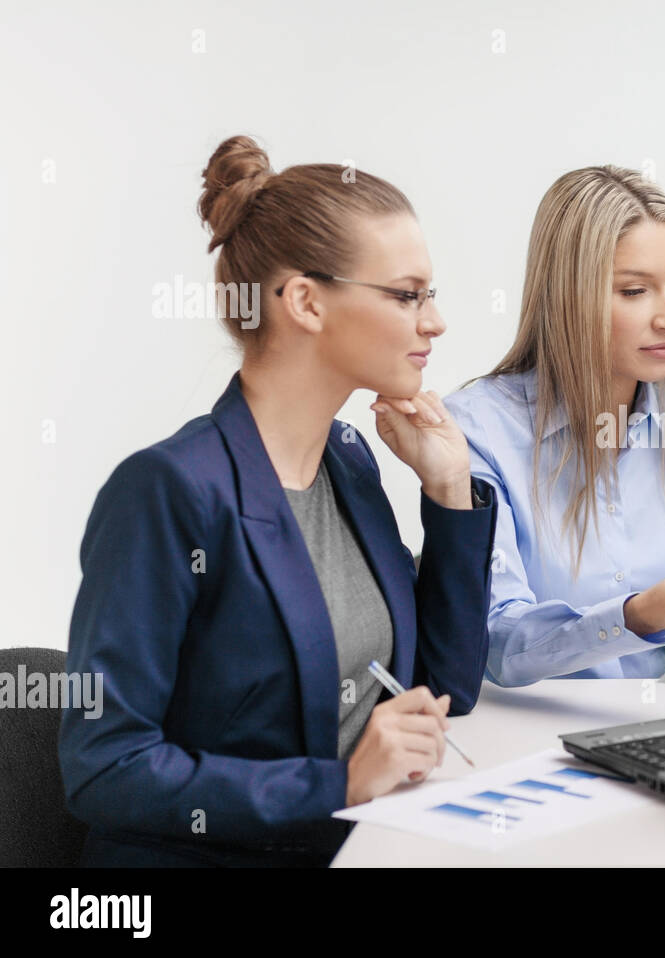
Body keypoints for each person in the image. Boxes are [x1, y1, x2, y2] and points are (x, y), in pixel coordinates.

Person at [59, 135, 497, 866]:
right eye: (406, 294)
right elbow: (105, 768)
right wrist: (337, 783)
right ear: (304, 301)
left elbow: (445, 693)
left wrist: (449, 493)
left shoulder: (348, 464)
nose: (434, 321)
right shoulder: (170, 489)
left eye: (431, 295)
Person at [443, 166, 665, 686]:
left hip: (656, 727)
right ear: (568, 297)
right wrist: (637, 617)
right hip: (529, 738)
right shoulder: (479, 429)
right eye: (634, 291)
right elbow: (498, 642)